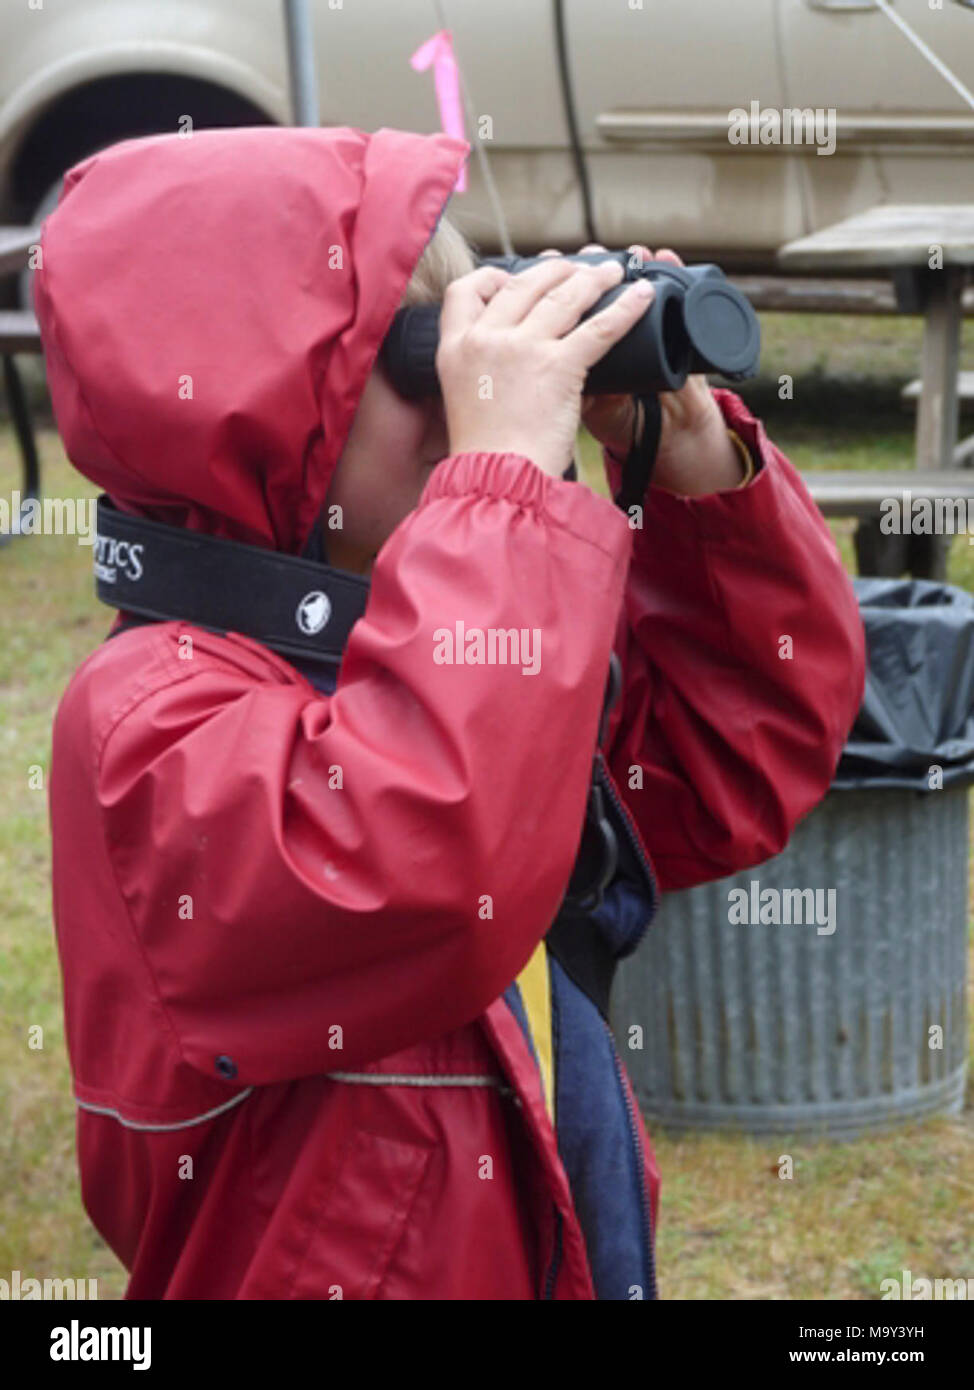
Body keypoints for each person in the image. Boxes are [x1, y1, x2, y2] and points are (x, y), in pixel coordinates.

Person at [36, 125, 865, 1300]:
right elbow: (418, 855)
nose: (461, 397)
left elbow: (719, 775)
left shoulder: (446, 643)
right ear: (255, 417)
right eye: (426, 359)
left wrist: (697, 484)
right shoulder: (146, 721)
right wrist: (504, 492)